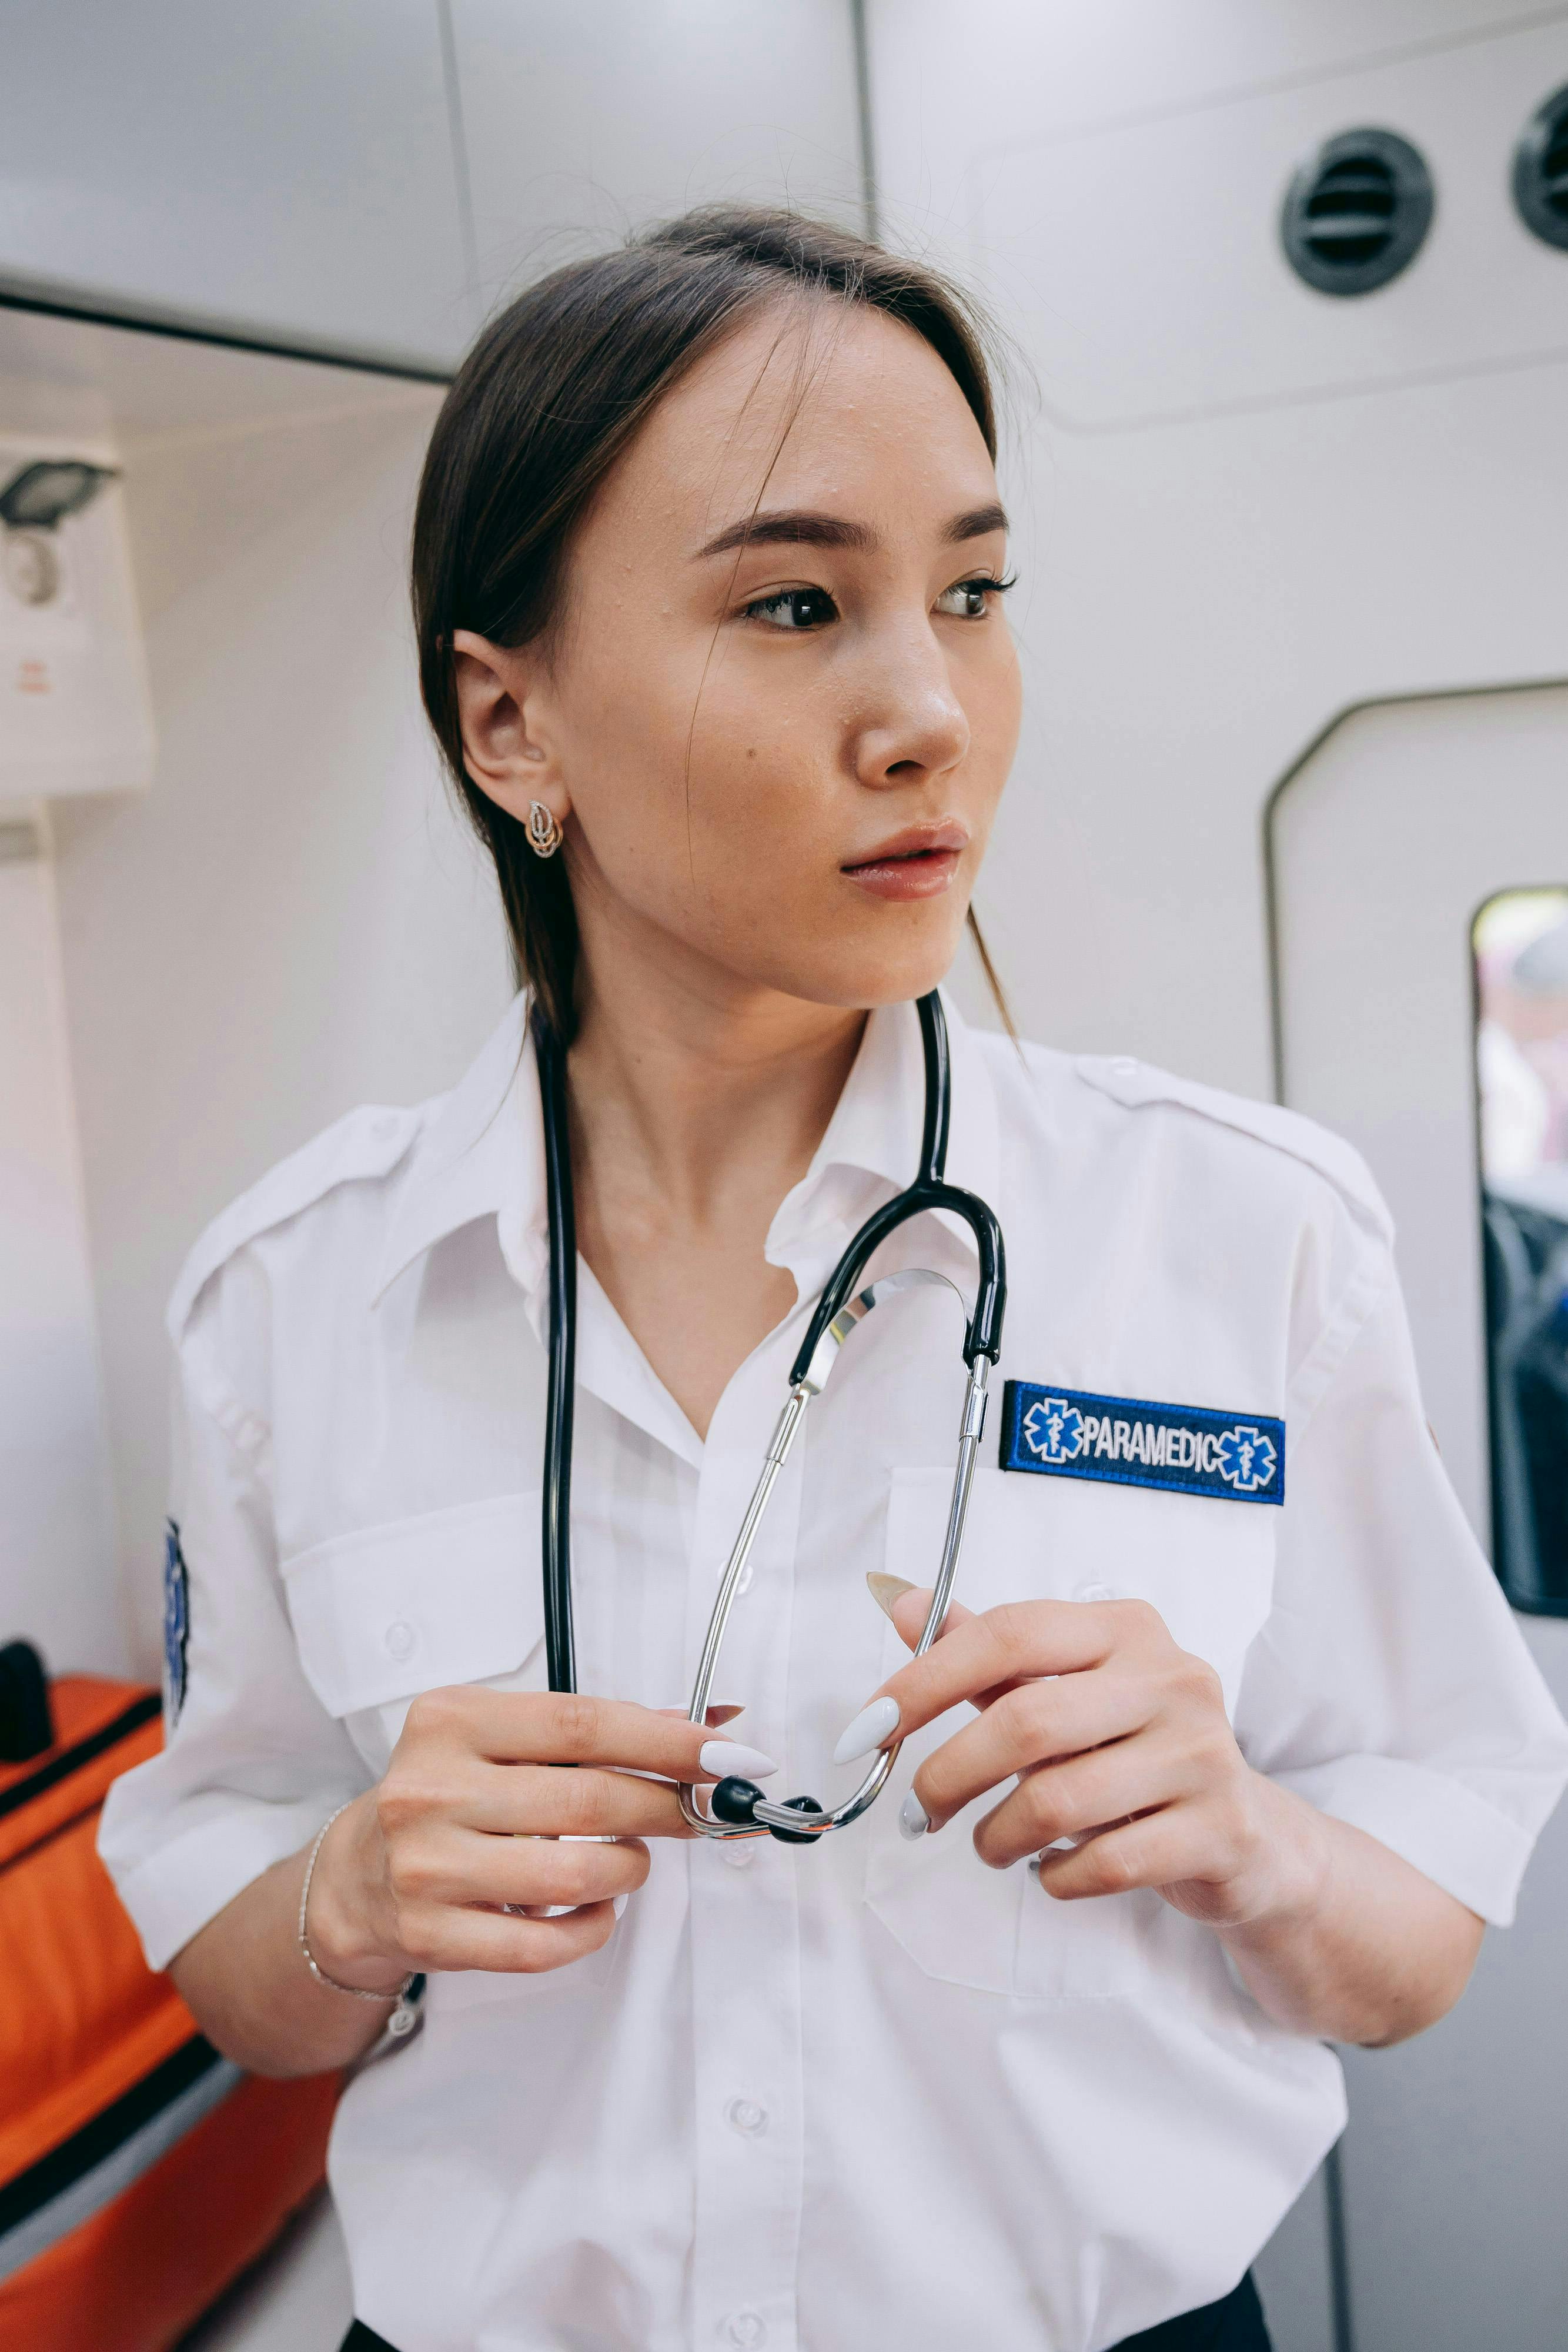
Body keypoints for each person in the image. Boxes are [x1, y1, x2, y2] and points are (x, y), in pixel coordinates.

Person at [99, 209, 1568, 2352]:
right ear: (513, 728)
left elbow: (1415, 1931)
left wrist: (1244, 1835)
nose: (928, 715)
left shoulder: (1239, 1236)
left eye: (970, 596)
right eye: (796, 603)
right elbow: (253, 1980)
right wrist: (342, 1897)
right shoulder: (288, 1308)